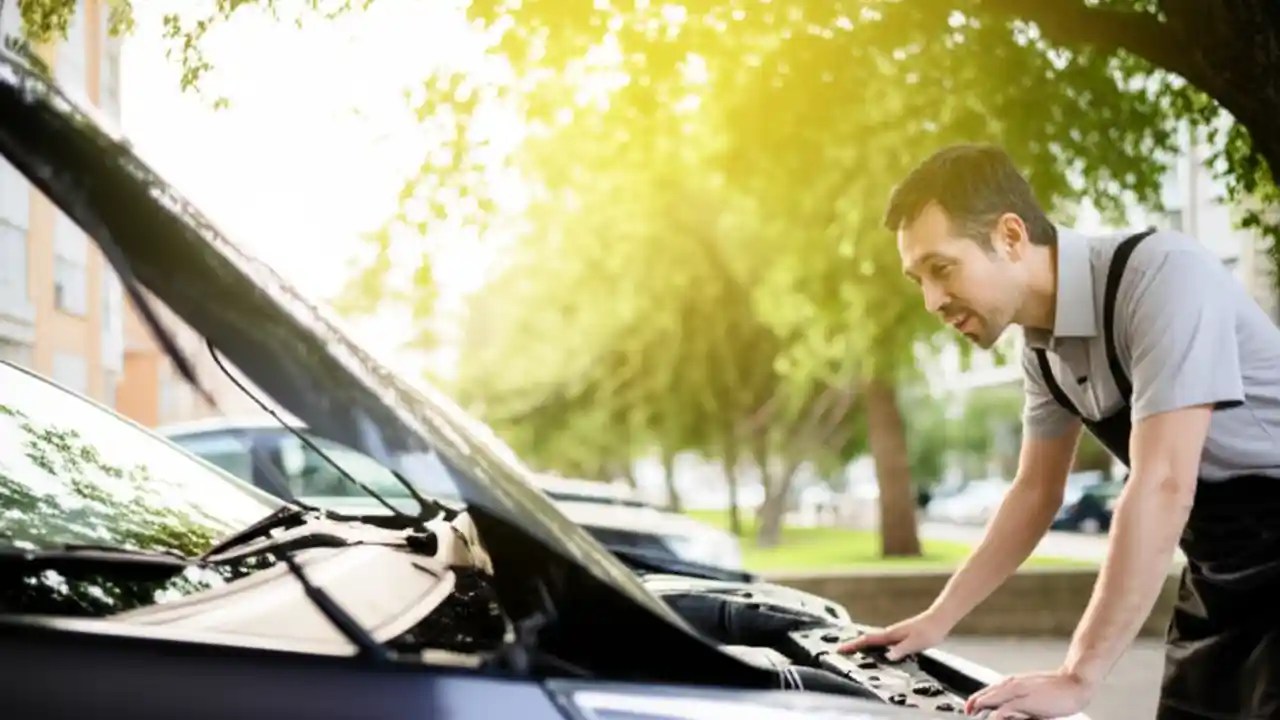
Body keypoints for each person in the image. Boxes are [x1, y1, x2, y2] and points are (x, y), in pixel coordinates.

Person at [839, 144, 1280, 719]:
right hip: (1218, 568)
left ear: (1012, 236)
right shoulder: (1041, 355)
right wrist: (936, 620)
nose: (932, 300)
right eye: (918, 278)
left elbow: (1164, 483)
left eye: (942, 269)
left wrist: (1077, 676)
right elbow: (1035, 493)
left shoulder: (1161, 277)